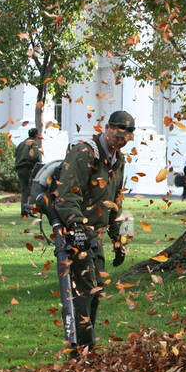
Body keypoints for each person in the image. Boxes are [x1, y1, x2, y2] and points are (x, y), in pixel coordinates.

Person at [37, 111, 134, 352]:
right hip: (75, 231)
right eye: (119, 134)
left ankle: (85, 348)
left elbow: (115, 203)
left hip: (96, 234)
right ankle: (81, 350)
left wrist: (119, 239)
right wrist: (77, 231)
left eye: (127, 136)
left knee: (96, 289)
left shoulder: (118, 161)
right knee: (83, 290)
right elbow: (67, 196)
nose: (122, 140)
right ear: (107, 128)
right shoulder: (84, 153)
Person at [14, 127, 43, 218]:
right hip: (28, 168)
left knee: (24, 190)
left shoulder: (21, 144)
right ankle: (30, 209)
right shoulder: (33, 144)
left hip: (19, 168)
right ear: (36, 135)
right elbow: (35, 157)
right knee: (33, 190)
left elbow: (16, 155)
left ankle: (24, 211)